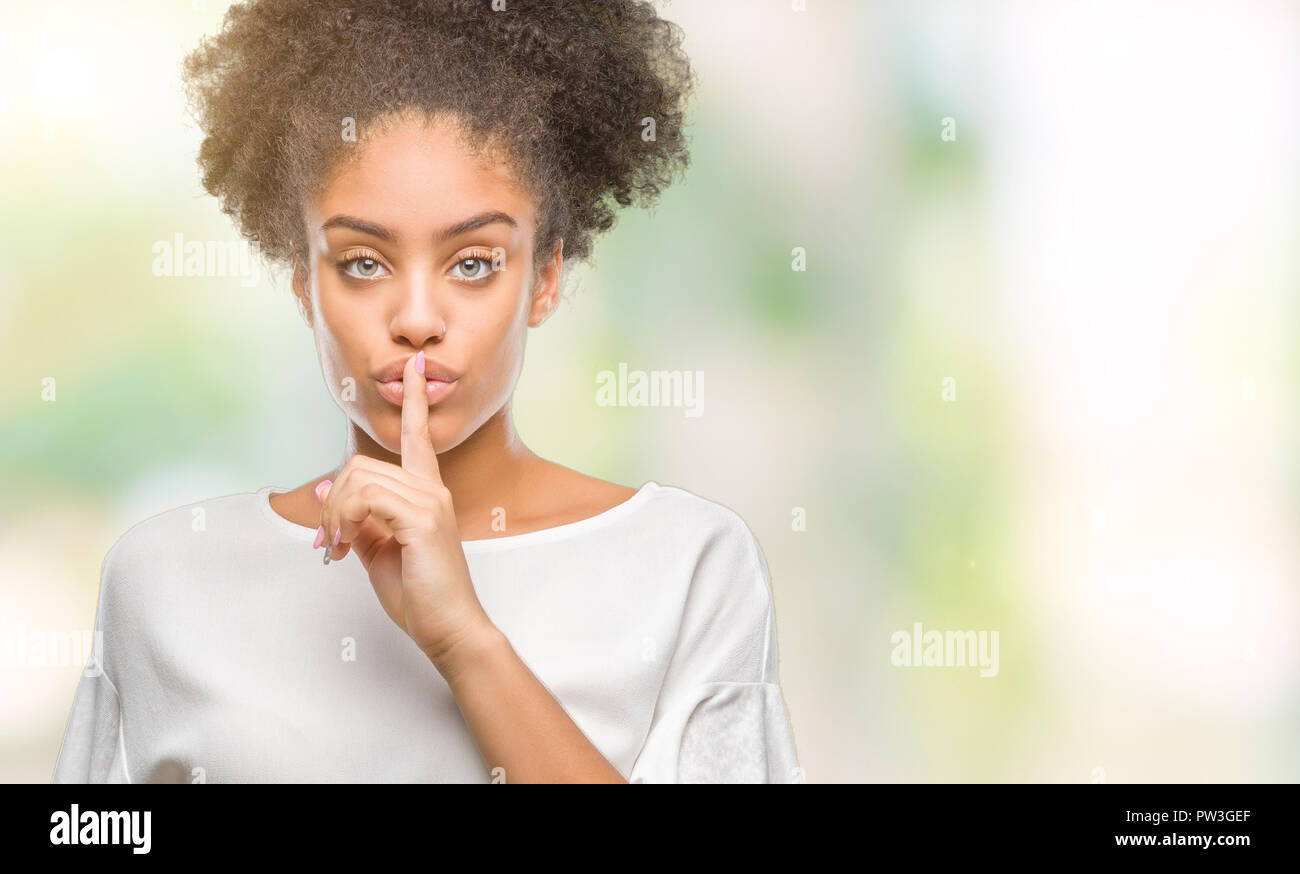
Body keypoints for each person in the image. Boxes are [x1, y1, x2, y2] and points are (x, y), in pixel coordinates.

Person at [52, 0, 800, 783]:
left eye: (473, 262)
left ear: (545, 280)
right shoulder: (166, 578)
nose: (415, 319)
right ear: (303, 282)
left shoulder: (688, 567)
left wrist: (465, 642)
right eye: (362, 263)